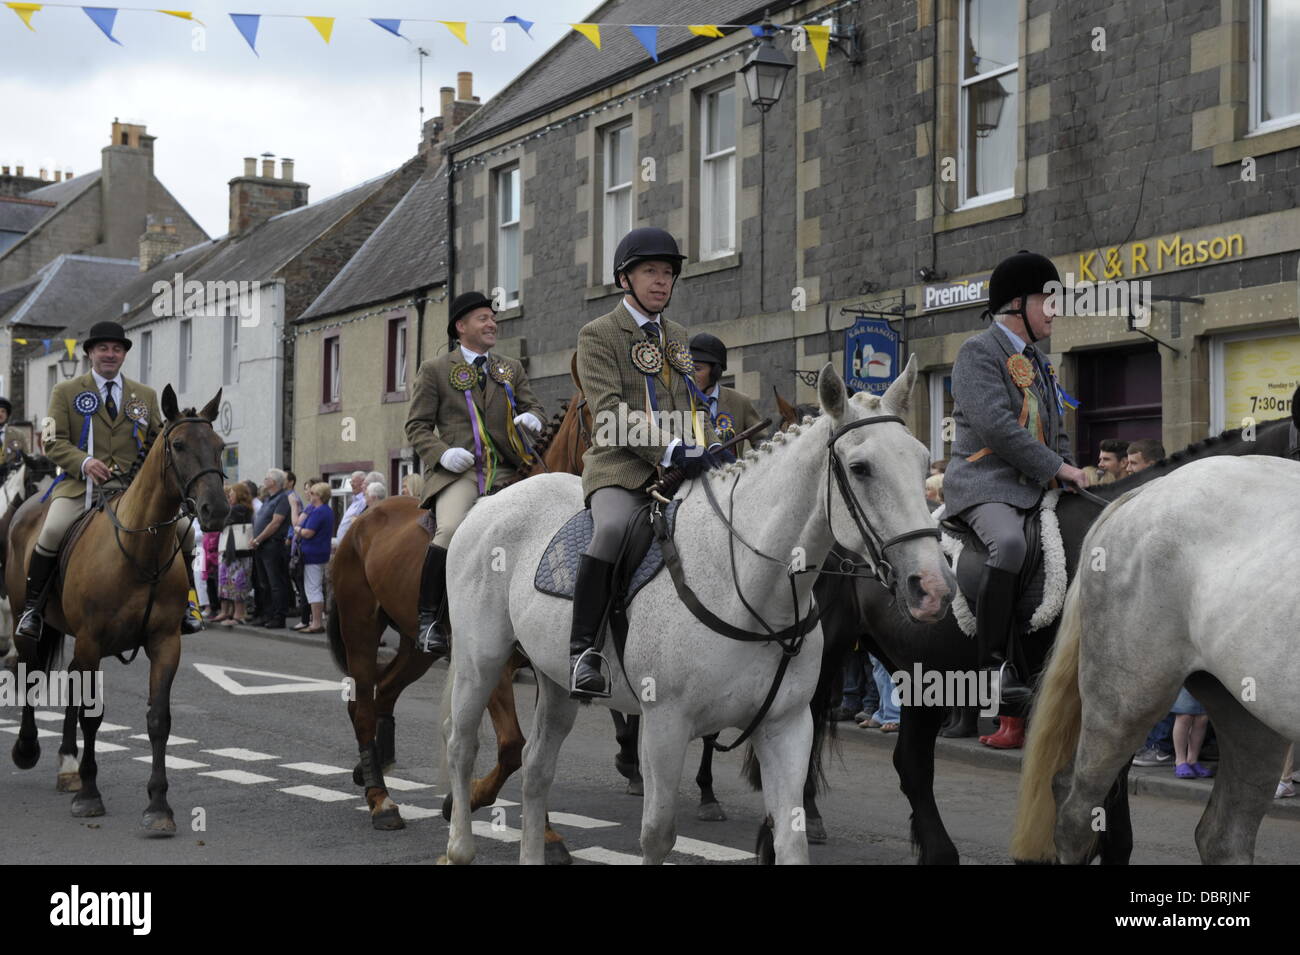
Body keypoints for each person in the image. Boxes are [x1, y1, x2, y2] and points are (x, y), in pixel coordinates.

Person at [569, 227, 725, 699]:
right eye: (650, 272)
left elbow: (694, 404)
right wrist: (670, 449)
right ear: (625, 279)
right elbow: (610, 411)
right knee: (613, 528)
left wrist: (717, 449)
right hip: (619, 465)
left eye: (668, 273)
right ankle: (583, 651)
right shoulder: (597, 335)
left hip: (680, 468)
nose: (661, 281)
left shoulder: (677, 337)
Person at [942, 251, 1090, 722]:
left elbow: (1056, 429)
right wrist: (1055, 467)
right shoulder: (977, 352)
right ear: (1016, 304)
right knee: (1007, 544)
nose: (1055, 310)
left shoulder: (1041, 363)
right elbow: (996, 426)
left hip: (1036, 484)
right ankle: (992, 667)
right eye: (1048, 301)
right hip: (986, 484)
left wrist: (1068, 467)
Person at [15, 320, 202, 642]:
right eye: (103, 348)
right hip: (79, 487)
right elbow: (51, 441)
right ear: (90, 353)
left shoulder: (144, 395)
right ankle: (33, 608)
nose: (110, 354)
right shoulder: (65, 391)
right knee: (52, 530)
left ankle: (189, 603)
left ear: (124, 356)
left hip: (132, 490)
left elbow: (159, 440)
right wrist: (84, 461)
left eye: (117, 349)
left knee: (184, 531)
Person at [405, 289, 546, 658]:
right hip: (462, 472)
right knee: (450, 529)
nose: (492, 324)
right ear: (461, 326)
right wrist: (441, 453)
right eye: (483, 318)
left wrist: (533, 420)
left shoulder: (509, 368)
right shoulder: (435, 370)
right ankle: (429, 619)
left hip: (510, 470)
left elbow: (535, 408)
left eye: (493, 318)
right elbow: (417, 426)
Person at [689, 333, 764, 452]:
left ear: (715, 372)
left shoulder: (740, 402)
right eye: (687, 368)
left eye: (697, 369)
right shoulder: (677, 403)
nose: (690, 375)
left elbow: (761, 441)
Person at [249, 468, 292, 629]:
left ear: (273, 482)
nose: (264, 480)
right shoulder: (268, 499)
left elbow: (276, 523)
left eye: (266, 478)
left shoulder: (282, 498)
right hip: (262, 545)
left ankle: (279, 617)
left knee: (275, 582)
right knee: (263, 582)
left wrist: (258, 539)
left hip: (272, 545)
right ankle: (267, 614)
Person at [293, 482, 334, 633]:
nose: (309, 496)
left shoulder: (318, 511)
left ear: (318, 496)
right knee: (316, 587)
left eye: (311, 493)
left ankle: (316, 623)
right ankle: (316, 621)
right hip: (321, 552)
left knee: (313, 588)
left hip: (312, 554)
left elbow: (308, 533)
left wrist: (298, 529)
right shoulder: (327, 510)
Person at [215, 482, 255, 626]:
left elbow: (221, 522)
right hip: (240, 552)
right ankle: (236, 613)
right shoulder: (245, 509)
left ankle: (238, 615)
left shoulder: (238, 509)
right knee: (236, 582)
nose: (229, 496)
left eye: (231, 494)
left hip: (238, 553)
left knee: (237, 582)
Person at [333, 471, 368, 547]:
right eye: (351, 481)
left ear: (362, 483)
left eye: (354, 482)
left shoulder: (364, 501)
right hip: (343, 546)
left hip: (351, 546)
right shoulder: (355, 501)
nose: (351, 484)